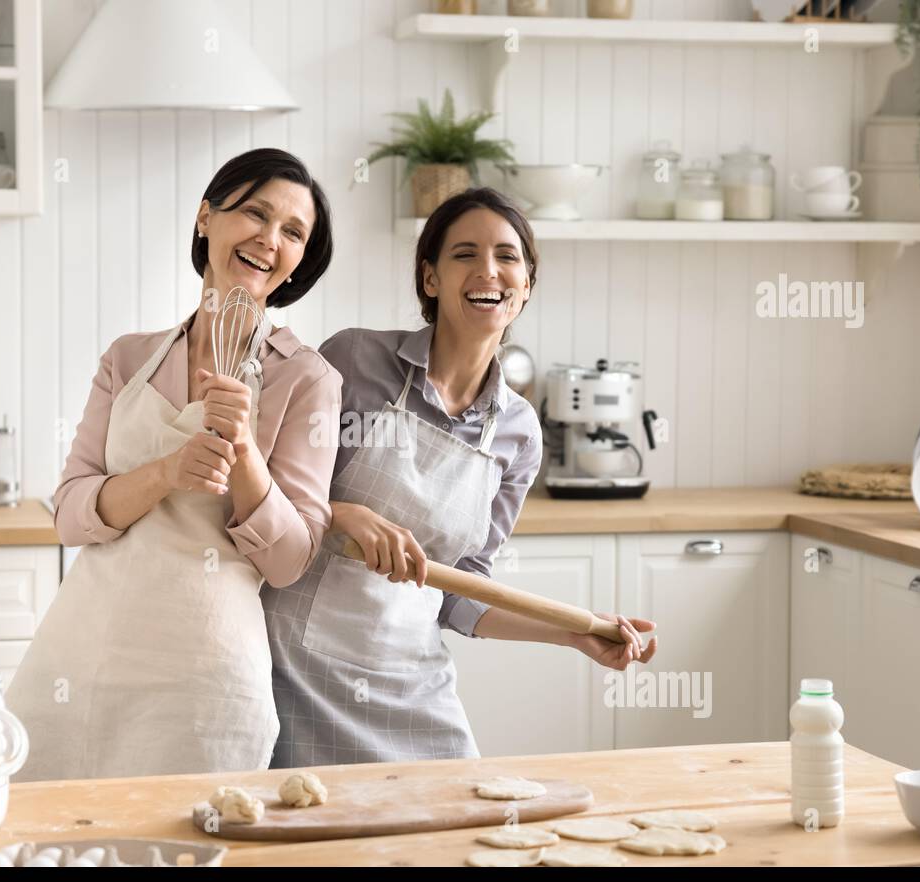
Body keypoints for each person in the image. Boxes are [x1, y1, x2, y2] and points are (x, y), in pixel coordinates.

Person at [262, 188, 657, 768]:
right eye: (464, 254)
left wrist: (574, 634)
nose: (488, 271)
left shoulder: (520, 433)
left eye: (507, 256)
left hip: (409, 681)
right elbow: (270, 494)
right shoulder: (353, 361)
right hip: (289, 668)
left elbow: (461, 591)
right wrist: (343, 513)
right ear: (430, 279)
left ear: (526, 286)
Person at [8, 149, 342, 781]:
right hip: (81, 652)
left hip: (206, 675)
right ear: (205, 218)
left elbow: (291, 557)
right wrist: (166, 473)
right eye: (255, 213)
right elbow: (72, 515)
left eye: (293, 233)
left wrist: (242, 448)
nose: (270, 240)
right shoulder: (128, 359)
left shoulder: (307, 379)